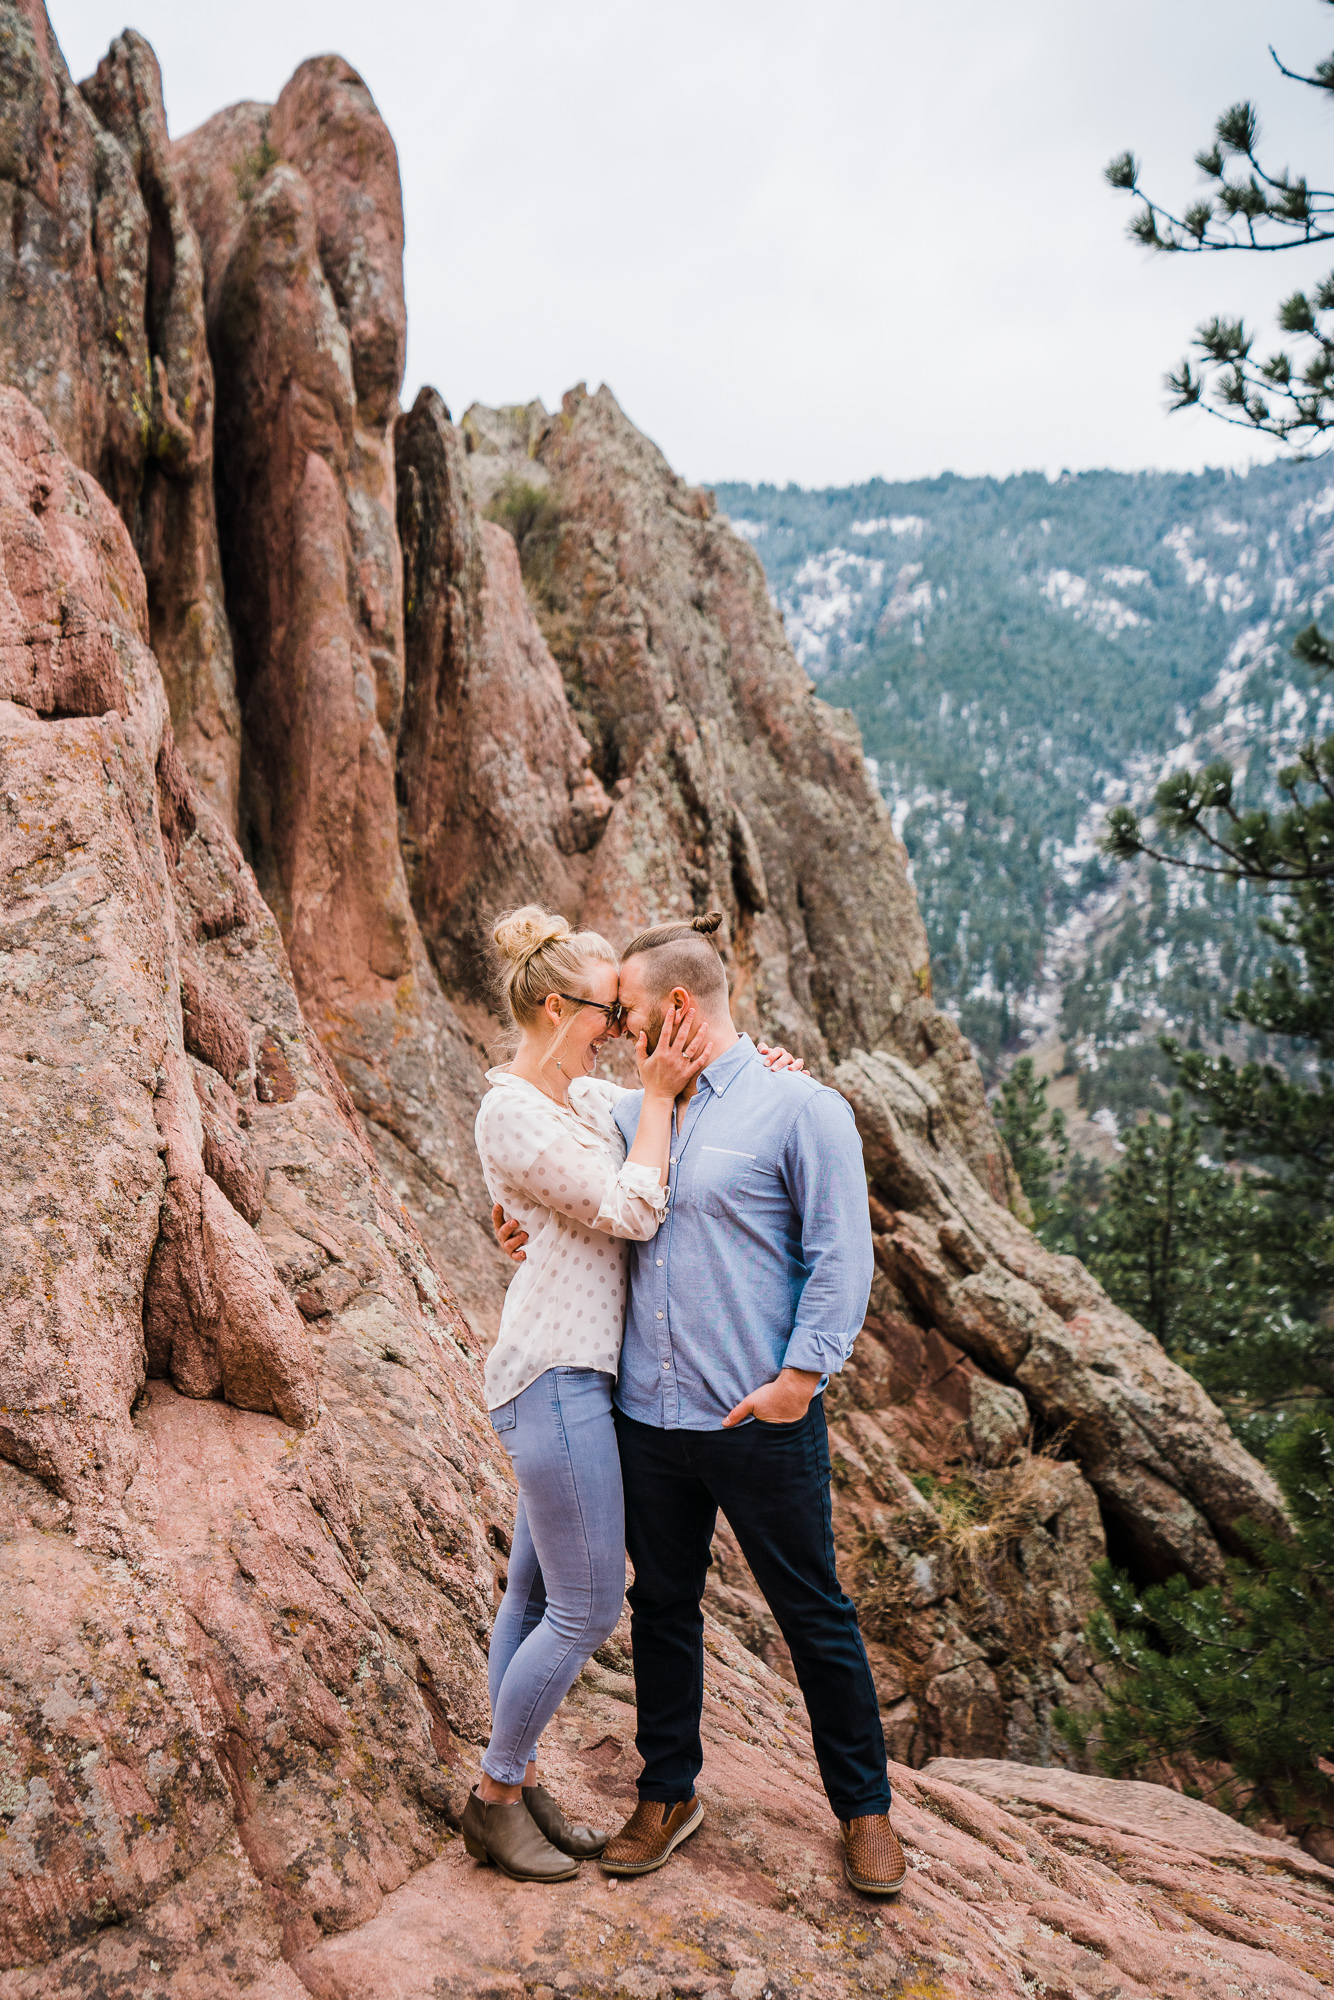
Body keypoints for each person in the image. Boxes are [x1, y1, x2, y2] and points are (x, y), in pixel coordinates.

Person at [497, 912, 906, 1898]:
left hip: (757, 1417)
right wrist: (510, 1222)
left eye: (627, 1012)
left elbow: (839, 1253)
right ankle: (666, 1793)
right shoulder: (628, 1106)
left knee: (813, 1612)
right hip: (645, 1416)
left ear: (677, 1009)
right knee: (662, 1610)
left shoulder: (799, 1109)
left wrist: (797, 1381)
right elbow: (547, 1161)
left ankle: (865, 1812)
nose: (613, 1027)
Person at [464, 906, 800, 1884]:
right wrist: (653, 1095)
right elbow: (629, 1205)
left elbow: (687, 1100)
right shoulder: (513, 1107)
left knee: (531, 1592)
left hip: (573, 1368)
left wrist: (763, 1070)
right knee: (583, 1605)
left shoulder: (574, 1099)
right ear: (561, 1005)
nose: (625, 1025)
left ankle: (515, 1783)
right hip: (555, 1371)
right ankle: (492, 1794)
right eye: (613, 1008)